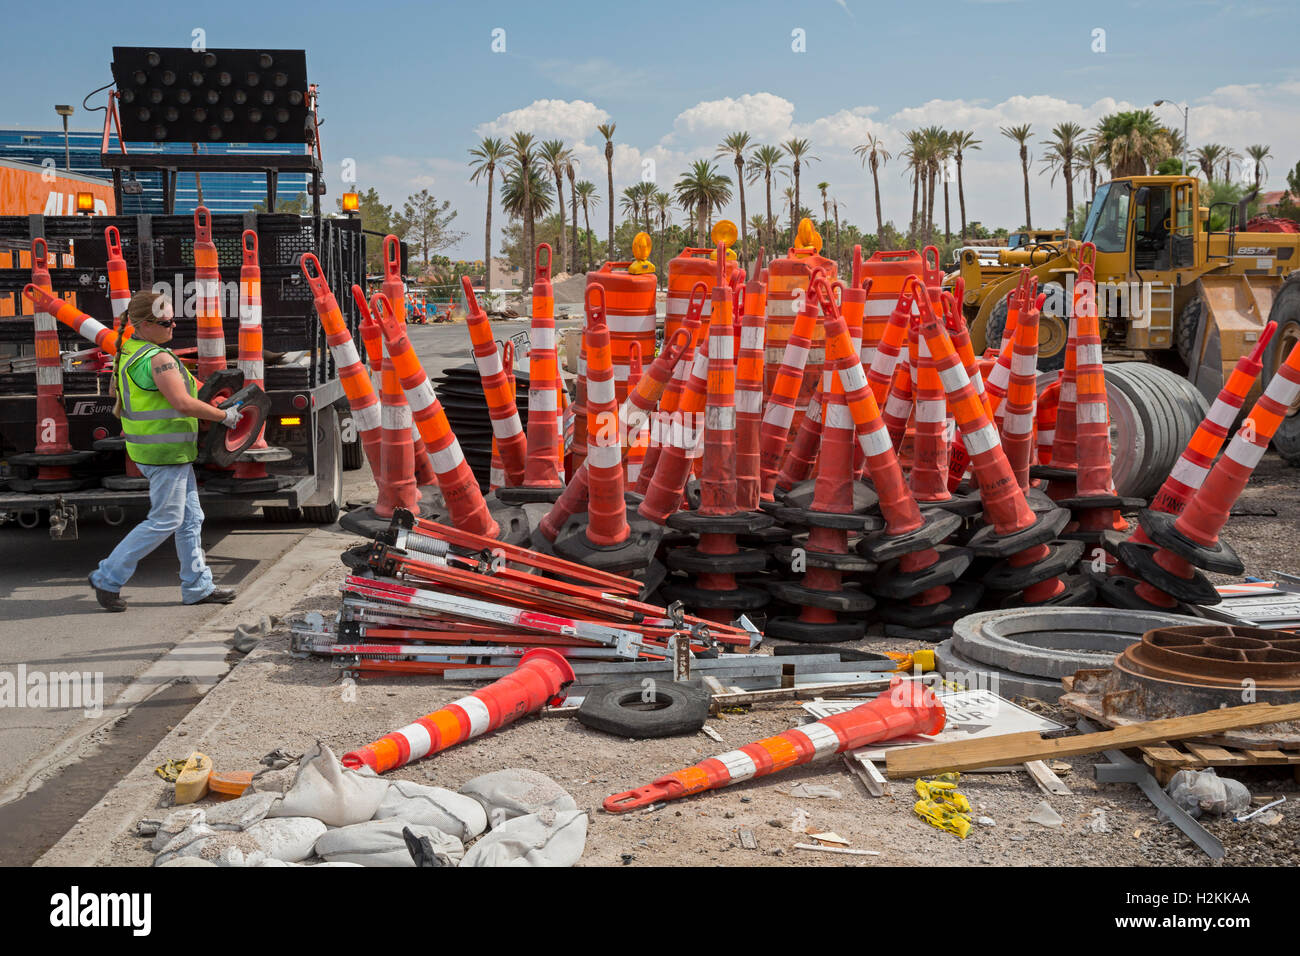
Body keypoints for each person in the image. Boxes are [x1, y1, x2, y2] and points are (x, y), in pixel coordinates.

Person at [87, 291, 242, 612]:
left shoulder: (129, 352)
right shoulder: (159, 359)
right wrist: (225, 416)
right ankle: (107, 576)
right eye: (165, 322)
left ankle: (198, 586)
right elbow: (183, 403)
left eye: (174, 320)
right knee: (166, 519)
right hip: (164, 453)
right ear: (144, 324)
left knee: (190, 518)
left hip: (155, 451)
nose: (173, 326)